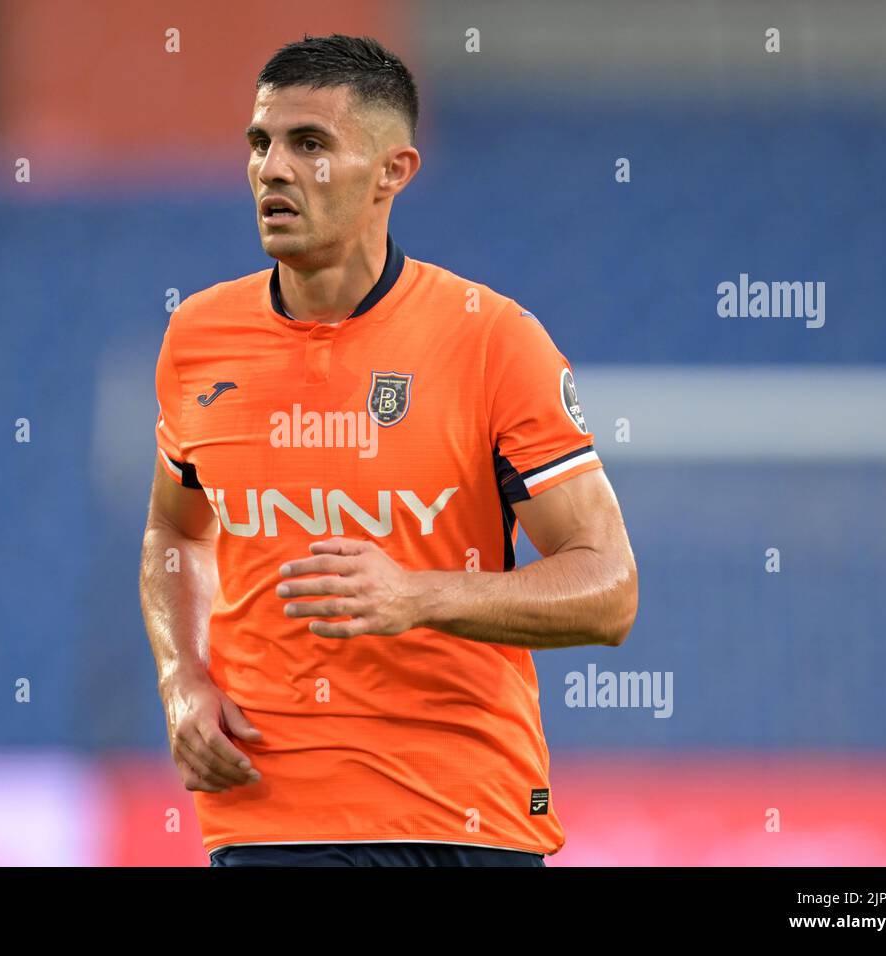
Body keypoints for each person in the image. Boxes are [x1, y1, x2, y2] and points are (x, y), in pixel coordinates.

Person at [139, 34, 637, 867]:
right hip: (270, 813)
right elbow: (175, 533)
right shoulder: (198, 338)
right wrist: (182, 678)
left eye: (310, 144)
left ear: (393, 171)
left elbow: (610, 590)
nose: (271, 169)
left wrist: (420, 594)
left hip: (464, 816)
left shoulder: (491, 341)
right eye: (260, 143)